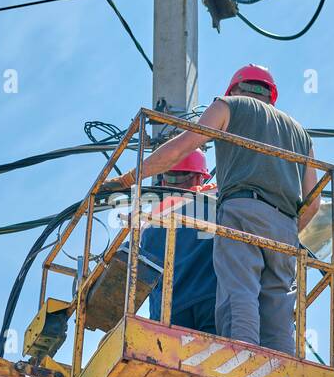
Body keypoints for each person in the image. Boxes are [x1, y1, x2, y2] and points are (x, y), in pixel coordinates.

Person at [104, 64, 317, 354]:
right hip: (285, 225)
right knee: (278, 302)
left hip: (242, 209)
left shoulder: (228, 106)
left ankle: (242, 355)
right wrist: (289, 231)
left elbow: (182, 146)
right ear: (271, 95)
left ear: (235, 89)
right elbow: (313, 202)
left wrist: (128, 179)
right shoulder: (300, 134)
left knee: (240, 288)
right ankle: (283, 368)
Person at [137, 150, 217, 332]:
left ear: (163, 181)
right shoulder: (214, 202)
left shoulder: (148, 224)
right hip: (211, 301)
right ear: (200, 178)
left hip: (166, 314)